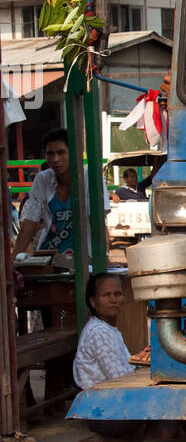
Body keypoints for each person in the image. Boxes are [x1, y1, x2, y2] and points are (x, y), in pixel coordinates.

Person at [13, 128, 110, 265]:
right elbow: (29, 224)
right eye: (50, 154)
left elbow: (98, 223)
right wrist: (11, 264)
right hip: (50, 256)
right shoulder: (43, 179)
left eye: (61, 153)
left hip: (84, 257)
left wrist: (103, 258)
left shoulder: (90, 177)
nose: (55, 159)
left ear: (74, 153)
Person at [73, 272, 149, 389]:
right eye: (106, 295)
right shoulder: (99, 332)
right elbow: (120, 378)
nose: (113, 299)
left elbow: (118, 365)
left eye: (117, 294)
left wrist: (136, 359)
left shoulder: (108, 328)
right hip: (99, 396)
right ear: (93, 302)